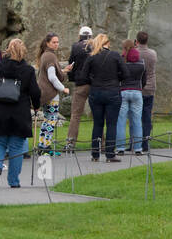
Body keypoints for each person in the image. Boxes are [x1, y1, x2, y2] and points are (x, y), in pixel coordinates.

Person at [0, 38, 42, 188]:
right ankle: (13, 181)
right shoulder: (28, 70)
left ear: (8, 50)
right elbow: (35, 92)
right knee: (16, 147)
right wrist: (36, 106)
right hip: (19, 112)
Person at [84, 34, 125, 162]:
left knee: (97, 124)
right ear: (107, 43)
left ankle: (95, 154)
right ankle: (110, 154)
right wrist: (116, 78)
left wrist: (93, 80)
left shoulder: (91, 58)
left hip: (96, 92)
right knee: (111, 124)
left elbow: (83, 76)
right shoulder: (115, 56)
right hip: (112, 91)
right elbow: (125, 73)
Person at [35, 33, 68, 156]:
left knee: (47, 120)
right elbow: (52, 77)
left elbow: (52, 72)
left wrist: (64, 70)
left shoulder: (45, 55)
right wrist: (63, 88)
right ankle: (46, 148)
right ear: (48, 43)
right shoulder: (50, 56)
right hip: (51, 94)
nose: (56, 44)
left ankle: (42, 145)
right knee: (52, 120)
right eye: (54, 42)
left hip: (44, 93)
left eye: (57, 42)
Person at [63, 26, 93, 153]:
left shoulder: (76, 46)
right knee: (98, 115)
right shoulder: (95, 46)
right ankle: (101, 143)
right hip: (94, 83)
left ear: (80, 35)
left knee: (75, 115)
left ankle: (70, 143)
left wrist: (72, 78)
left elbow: (71, 64)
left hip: (80, 83)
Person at [116, 42, 147, 156]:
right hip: (137, 91)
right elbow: (144, 79)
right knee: (137, 121)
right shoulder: (141, 62)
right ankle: (138, 148)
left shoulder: (121, 61)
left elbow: (118, 76)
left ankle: (120, 148)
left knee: (121, 121)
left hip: (123, 91)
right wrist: (139, 88)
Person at [136, 31, 157, 153]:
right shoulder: (152, 53)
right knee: (147, 116)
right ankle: (145, 143)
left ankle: (136, 142)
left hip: (138, 87)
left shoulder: (135, 53)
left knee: (136, 117)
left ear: (137, 41)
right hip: (150, 87)